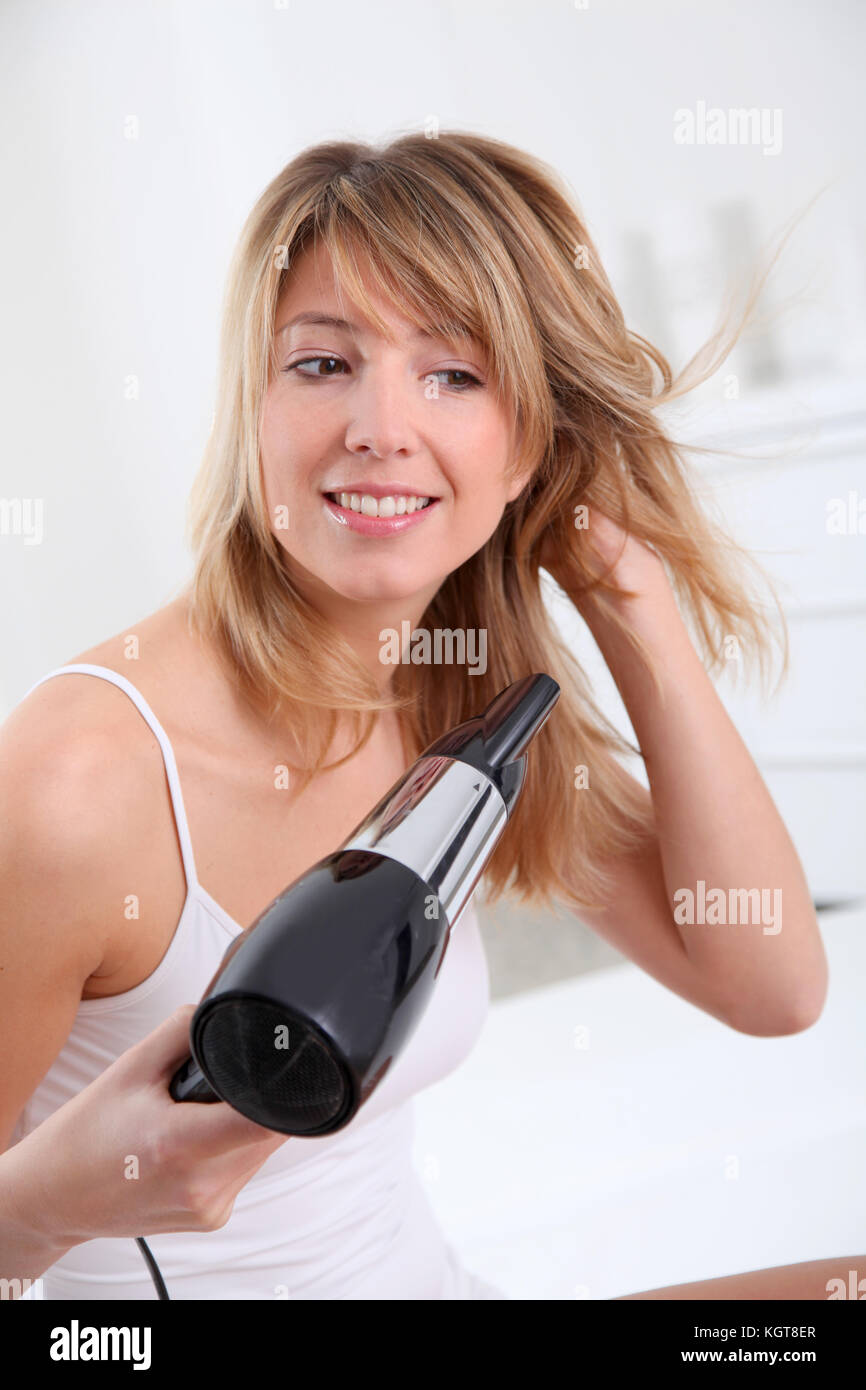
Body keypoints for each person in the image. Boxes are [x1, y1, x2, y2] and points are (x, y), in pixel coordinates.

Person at [0, 131, 858, 1301]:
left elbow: (771, 986)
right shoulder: (80, 781)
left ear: (528, 452)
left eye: (453, 373)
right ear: (249, 405)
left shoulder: (457, 711)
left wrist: (629, 598)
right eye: (320, 364)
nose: (380, 427)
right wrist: (48, 1201)